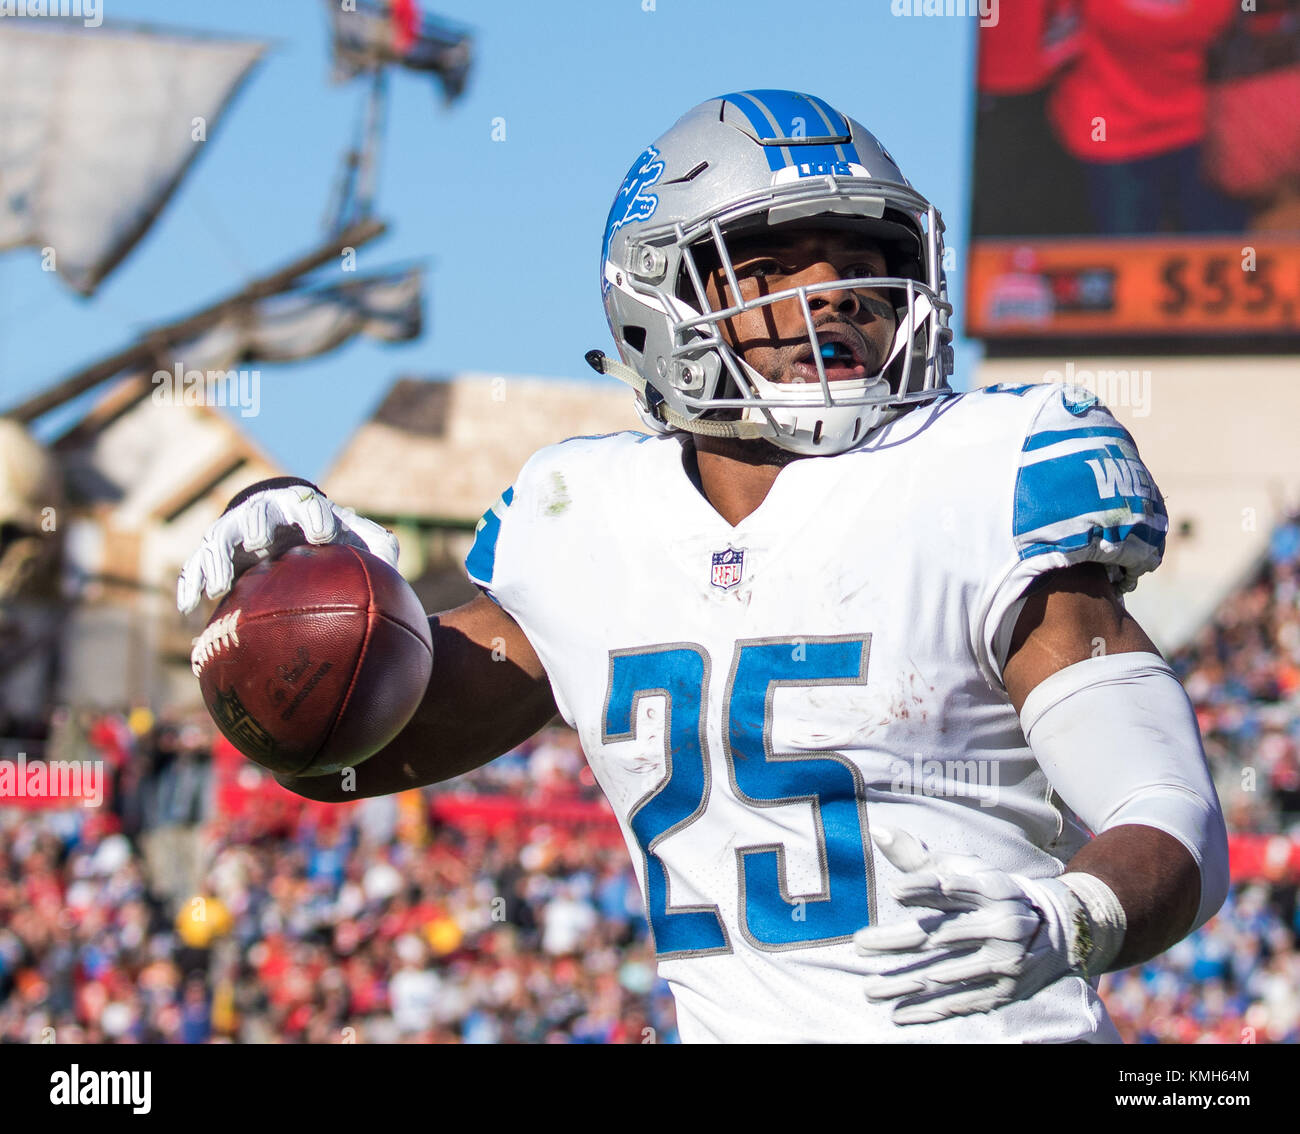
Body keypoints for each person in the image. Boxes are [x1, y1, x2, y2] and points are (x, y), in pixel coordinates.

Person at [177, 90, 1228, 1043]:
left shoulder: (988, 467)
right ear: (656, 297)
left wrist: (1075, 913)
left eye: (862, 261)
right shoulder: (578, 514)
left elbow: (1169, 816)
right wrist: (288, 582)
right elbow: (345, 749)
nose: (836, 294)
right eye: (773, 266)